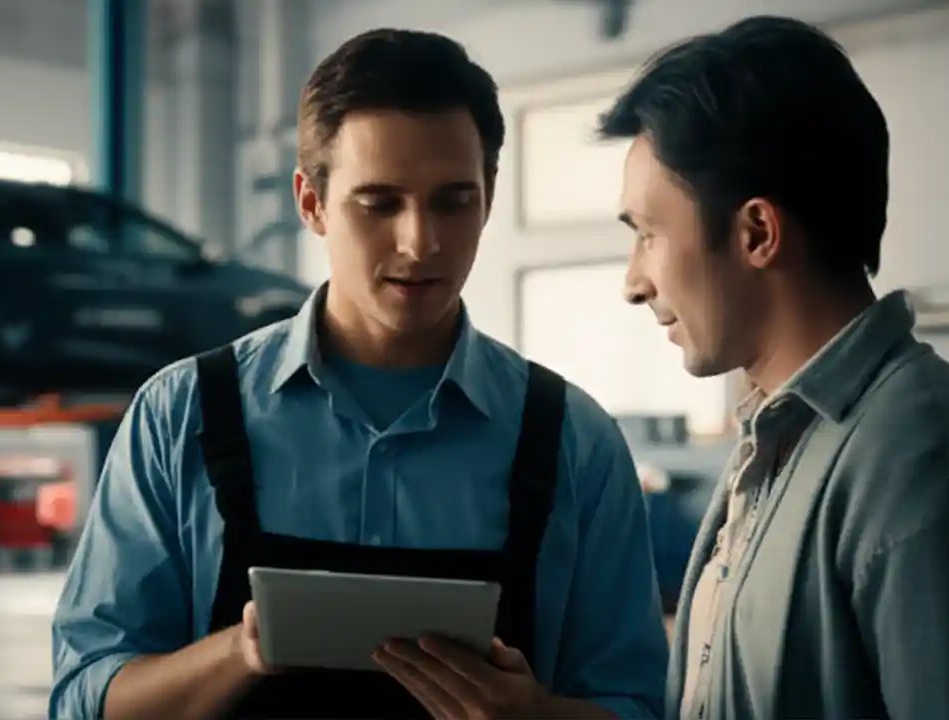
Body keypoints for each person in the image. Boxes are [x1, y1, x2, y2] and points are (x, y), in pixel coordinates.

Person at [50, 28, 667, 719]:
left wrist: (532, 716)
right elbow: (85, 698)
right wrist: (240, 652)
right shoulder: (179, 417)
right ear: (310, 203)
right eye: (379, 204)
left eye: (452, 201)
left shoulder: (573, 444)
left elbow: (636, 705)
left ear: (489, 196)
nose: (419, 241)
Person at [602, 14, 949, 720]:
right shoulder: (780, 439)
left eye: (648, 236)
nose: (633, 281)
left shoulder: (921, 462)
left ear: (757, 233)